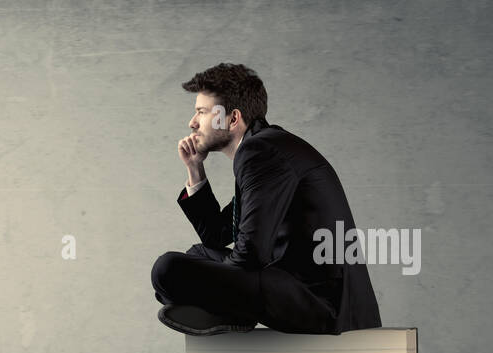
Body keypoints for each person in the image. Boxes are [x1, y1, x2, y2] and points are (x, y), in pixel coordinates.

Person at [151, 63, 383, 335]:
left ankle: (228, 313)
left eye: (201, 112)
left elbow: (250, 255)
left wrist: (204, 290)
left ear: (232, 119)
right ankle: (227, 313)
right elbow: (217, 235)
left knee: (168, 269)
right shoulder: (266, 148)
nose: (192, 122)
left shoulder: (260, 152)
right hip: (292, 286)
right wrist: (194, 168)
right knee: (198, 255)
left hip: (321, 305)